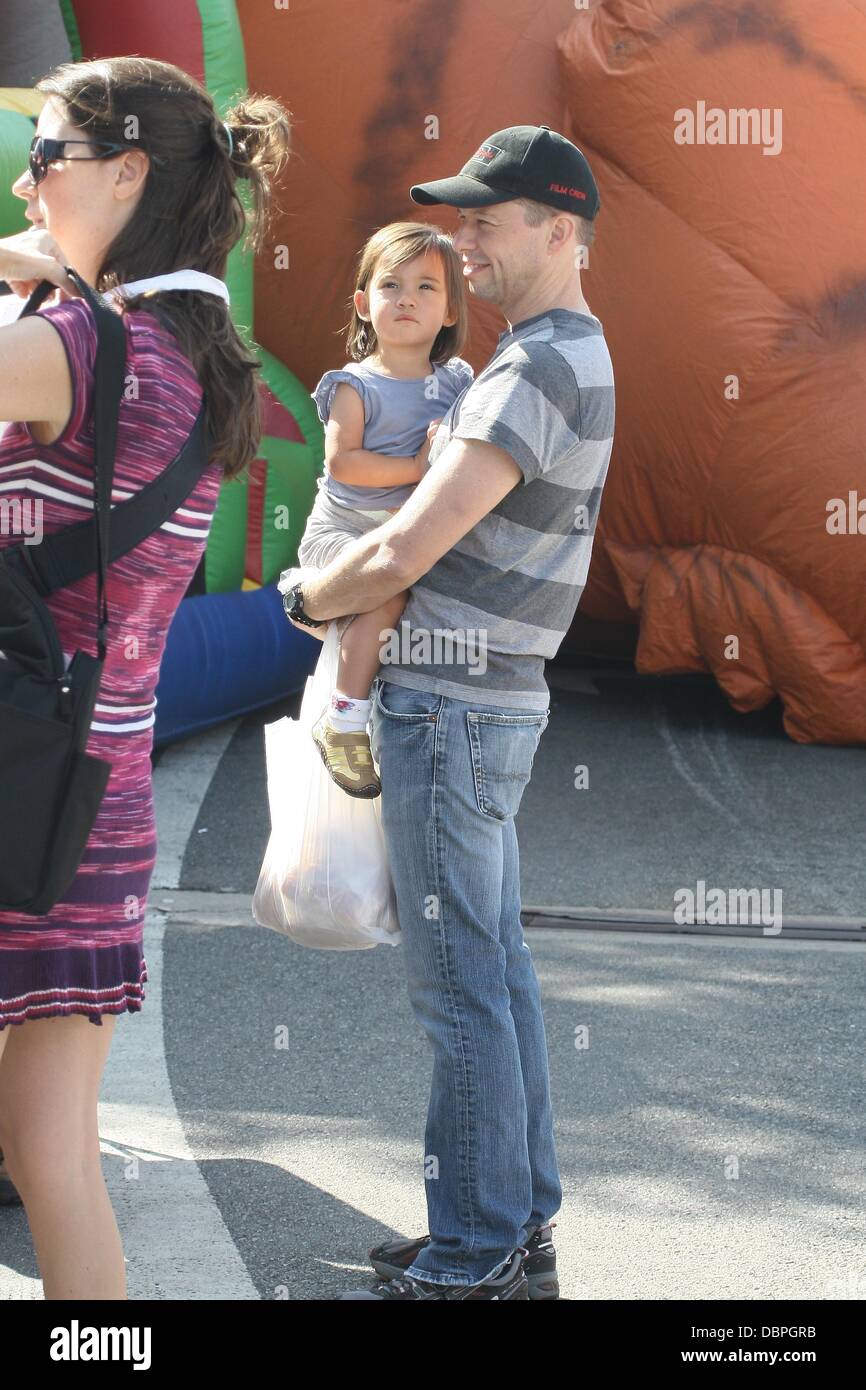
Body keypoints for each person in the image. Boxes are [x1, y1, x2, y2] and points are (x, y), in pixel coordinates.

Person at [283, 125, 616, 1300]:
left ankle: (476, 1250)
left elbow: (410, 539)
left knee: (461, 985)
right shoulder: (560, 354)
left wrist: (301, 595)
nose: (464, 239)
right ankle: (509, 1224)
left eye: (487, 220)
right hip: (487, 705)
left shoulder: (531, 371)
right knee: (498, 972)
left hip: (450, 707)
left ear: (559, 229)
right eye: (460, 219)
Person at [0, 55, 291, 1300]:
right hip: (91, 800)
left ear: (125, 172)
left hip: (17, 787)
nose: (24, 180)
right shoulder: (188, 356)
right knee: (52, 1154)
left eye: (46, 157)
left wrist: (44, 283)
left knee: (48, 1150)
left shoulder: (77, 346)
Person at [288, 221, 473, 797]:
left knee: (417, 587)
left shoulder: (458, 382)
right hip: (342, 533)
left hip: (407, 536)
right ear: (364, 305)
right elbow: (346, 463)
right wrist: (419, 469)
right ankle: (343, 719)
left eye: (425, 288)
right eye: (391, 286)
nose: (407, 300)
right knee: (388, 582)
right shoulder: (354, 385)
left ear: (449, 311)